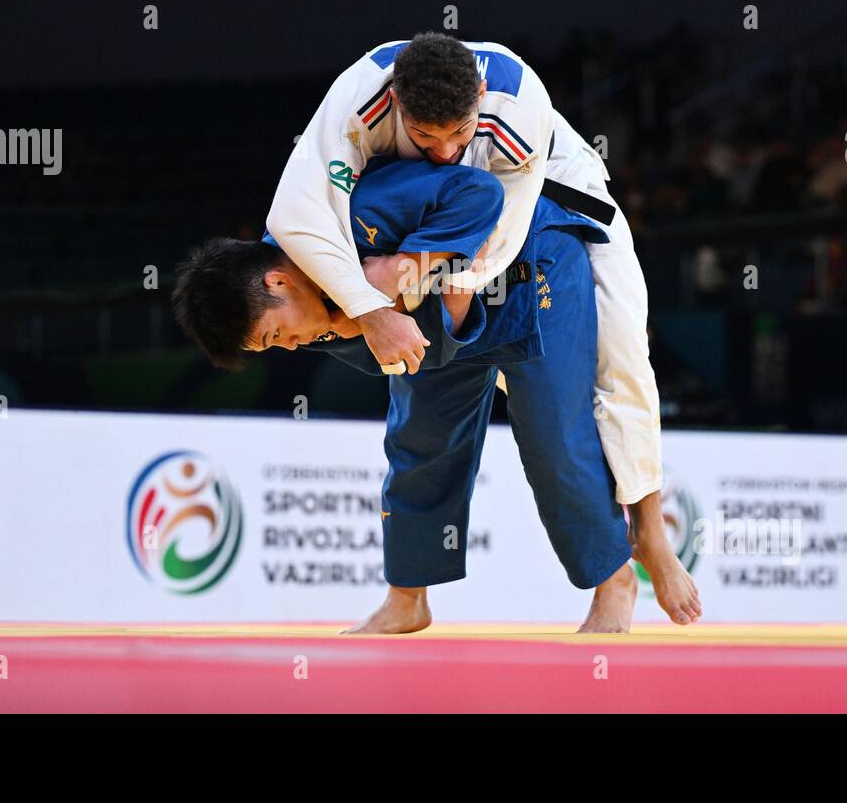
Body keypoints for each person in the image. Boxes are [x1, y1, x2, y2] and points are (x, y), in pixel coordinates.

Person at [174, 157, 701, 632]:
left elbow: (480, 194)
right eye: (272, 347)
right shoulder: (308, 320)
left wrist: (415, 270)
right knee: (418, 437)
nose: (287, 347)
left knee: (554, 433)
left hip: (529, 264)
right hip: (442, 318)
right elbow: (404, 350)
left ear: (278, 282)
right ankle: (408, 598)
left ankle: (615, 581)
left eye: (273, 335)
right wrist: (430, 309)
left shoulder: (343, 216)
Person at [266, 34, 665, 521]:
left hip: (552, 186)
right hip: (432, 219)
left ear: (478, 96)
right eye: (423, 137)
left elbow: (494, 247)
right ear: (396, 103)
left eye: (458, 133)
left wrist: (401, 281)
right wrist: (372, 309)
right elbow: (294, 215)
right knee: (516, 390)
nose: (444, 151)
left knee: (621, 350)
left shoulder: (519, 103)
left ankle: (650, 526)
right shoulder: (358, 97)